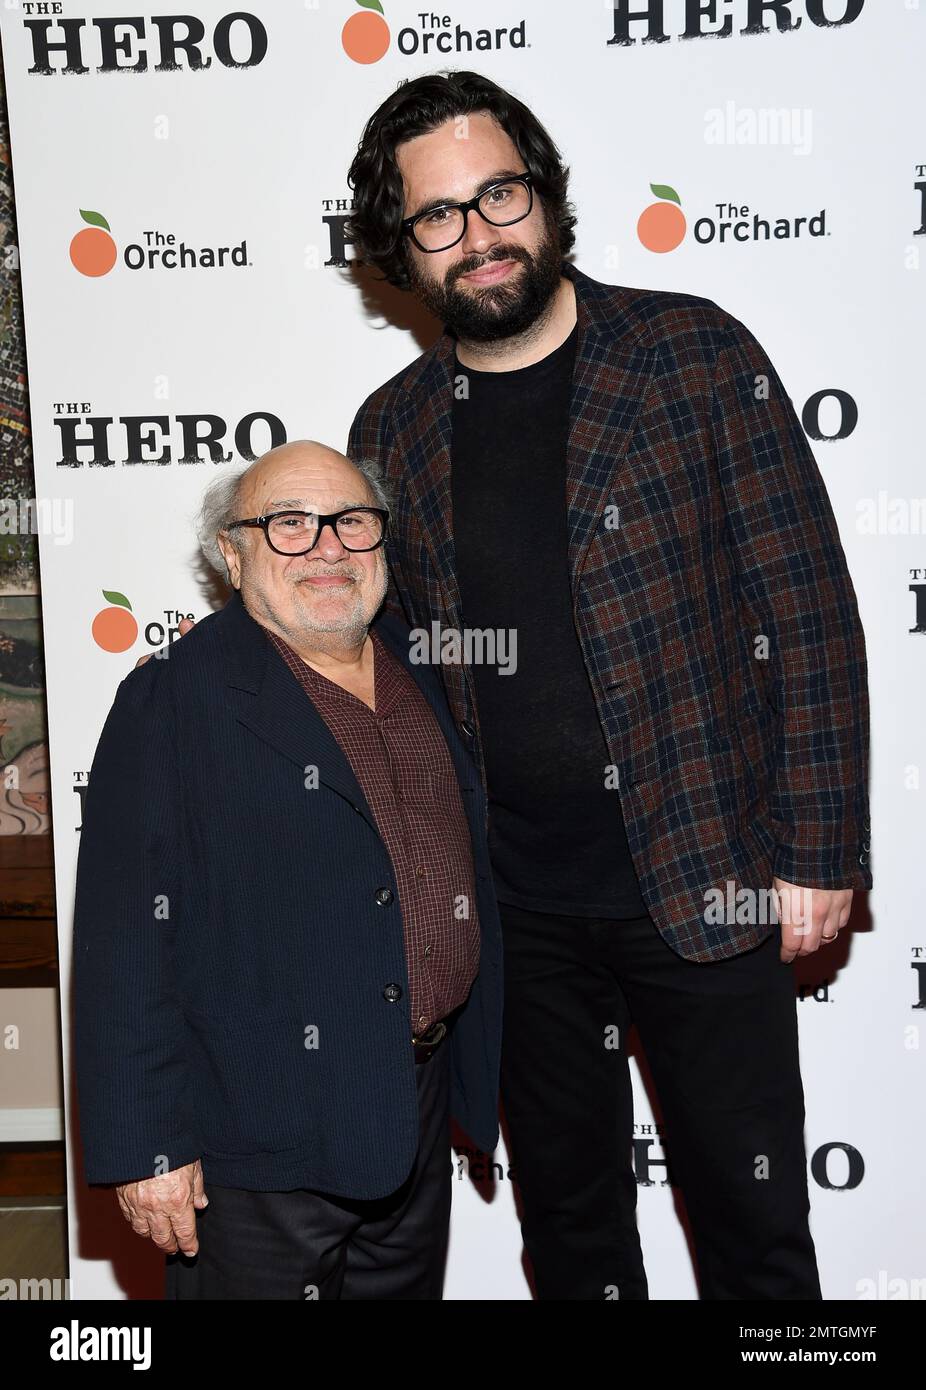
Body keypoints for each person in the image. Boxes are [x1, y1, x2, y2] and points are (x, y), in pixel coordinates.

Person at [340, 69, 872, 1299]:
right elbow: (401, 674)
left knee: (753, 1235)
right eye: (437, 217)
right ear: (400, 250)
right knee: (573, 1242)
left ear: (545, 195)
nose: (478, 237)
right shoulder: (394, 428)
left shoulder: (691, 356)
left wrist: (818, 846)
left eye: (498, 195)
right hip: (518, 917)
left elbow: (803, 609)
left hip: (707, 873)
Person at [73, 441, 502, 1300]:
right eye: (289, 526)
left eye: (351, 522)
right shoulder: (173, 699)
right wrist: (147, 1146)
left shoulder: (424, 668)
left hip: (412, 1108)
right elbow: (124, 942)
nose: (328, 547)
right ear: (231, 555)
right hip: (253, 1136)